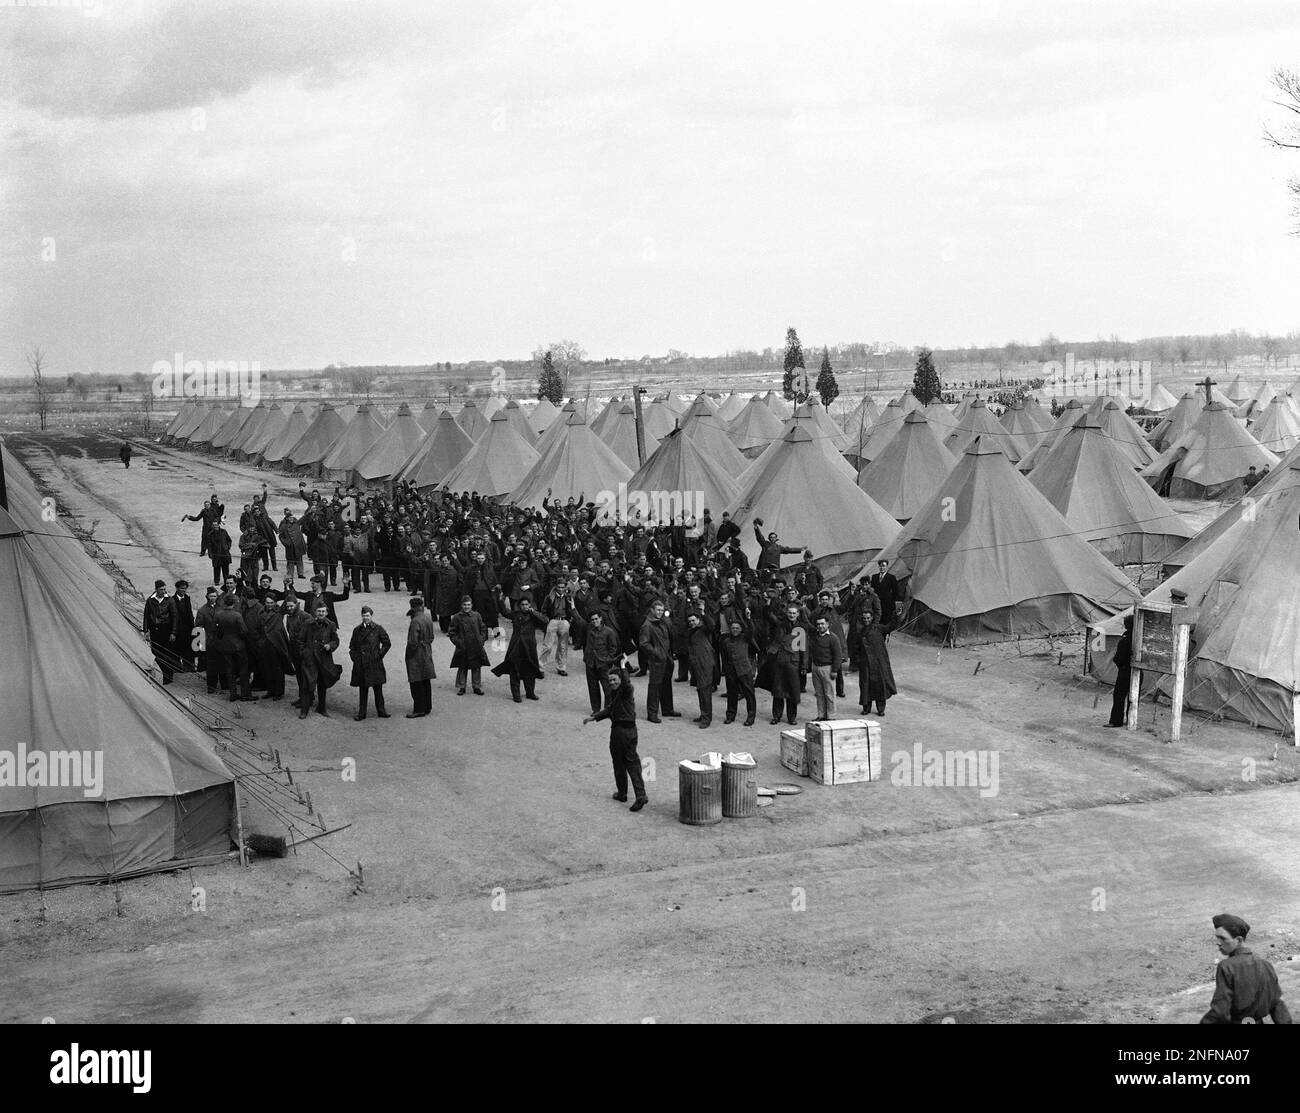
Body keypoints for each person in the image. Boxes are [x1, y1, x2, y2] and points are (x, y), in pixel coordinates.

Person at [1200, 913, 1292, 1024]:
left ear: (1238, 940)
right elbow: (1277, 1004)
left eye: (1223, 938)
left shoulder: (1226, 967)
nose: (1218, 943)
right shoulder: (1265, 964)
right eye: (1217, 937)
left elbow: (1220, 1012)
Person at [583, 667, 647, 812]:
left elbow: (626, 684)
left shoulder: (626, 690)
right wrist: (594, 717)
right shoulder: (616, 693)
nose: (611, 682)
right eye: (609, 680)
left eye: (614, 680)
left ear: (620, 680)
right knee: (620, 763)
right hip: (624, 731)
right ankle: (623, 793)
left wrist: (624, 667)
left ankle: (640, 795)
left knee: (630, 764)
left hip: (623, 732)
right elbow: (610, 709)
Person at [491, 595, 547, 702]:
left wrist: (533, 612)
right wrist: (500, 599)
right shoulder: (515, 614)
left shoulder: (534, 615)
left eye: (526, 604)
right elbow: (504, 612)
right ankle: (516, 695)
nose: (524, 606)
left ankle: (530, 693)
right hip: (516, 646)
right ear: (519, 606)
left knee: (530, 669)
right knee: (514, 670)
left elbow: (545, 621)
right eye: (522, 605)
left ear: (529, 605)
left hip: (529, 647)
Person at [853, 589, 896, 715]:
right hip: (865, 663)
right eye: (864, 618)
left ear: (872, 618)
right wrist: (857, 661)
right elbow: (856, 648)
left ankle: (880, 709)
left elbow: (891, 626)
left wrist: (896, 615)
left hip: (878, 662)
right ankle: (866, 708)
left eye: (868, 618)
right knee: (866, 686)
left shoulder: (879, 628)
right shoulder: (859, 631)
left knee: (880, 686)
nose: (866, 620)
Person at [638, 599, 681, 723]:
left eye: (662, 610)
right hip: (656, 660)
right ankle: (652, 713)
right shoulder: (647, 625)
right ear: (652, 610)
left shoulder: (663, 622)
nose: (660, 612)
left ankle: (667, 709)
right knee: (655, 686)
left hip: (667, 659)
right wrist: (656, 653)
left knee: (666, 685)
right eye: (658, 610)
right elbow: (644, 644)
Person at [348, 605, 392, 720]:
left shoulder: (378, 629)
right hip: (361, 664)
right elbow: (352, 646)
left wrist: (379, 655)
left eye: (367, 616)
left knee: (378, 689)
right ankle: (362, 713)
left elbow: (387, 643)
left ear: (371, 616)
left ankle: (381, 711)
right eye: (363, 616)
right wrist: (355, 658)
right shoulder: (357, 630)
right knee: (363, 690)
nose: (365, 618)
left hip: (374, 663)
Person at [767, 604, 807, 725]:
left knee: (792, 690)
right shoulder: (780, 625)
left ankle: (791, 717)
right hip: (780, 661)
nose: (792, 615)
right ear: (786, 613)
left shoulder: (801, 629)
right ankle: (776, 716)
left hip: (793, 662)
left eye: (794, 613)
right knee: (778, 690)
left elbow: (804, 649)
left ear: (798, 614)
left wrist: (804, 665)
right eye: (790, 613)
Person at [212, 595, 254, 703]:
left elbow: (215, 630)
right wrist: (239, 637)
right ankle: (245, 694)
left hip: (225, 645)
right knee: (243, 670)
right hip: (238, 645)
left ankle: (233, 694)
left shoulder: (218, 615)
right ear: (233, 604)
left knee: (229, 670)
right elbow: (244, 631)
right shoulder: (237, 615)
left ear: (224, 603)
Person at [448, 595, 490, 695]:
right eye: (464, 605)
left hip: (476, 646)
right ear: (461, 605)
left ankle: (476, 686)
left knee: (476, 667)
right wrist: (458, 642)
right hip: (463, 646)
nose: (466, 607)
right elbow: (452, 632)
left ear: (472, 605)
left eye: (468, 605)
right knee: (463, 666)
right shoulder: (457, 617)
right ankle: (461, 687)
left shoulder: (477, 615)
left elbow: (483, 628)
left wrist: (481, 640)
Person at [582, 610, 622, 713]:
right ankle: (596, 709)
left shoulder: (609, 631)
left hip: (603, 665)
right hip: (590, 663)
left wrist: (607, 659)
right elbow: (579, 621)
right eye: (592, 620)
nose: (594, 621)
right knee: (593, 688)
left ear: (601, 618)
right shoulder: (589, 629)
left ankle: (608, 709)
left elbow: (613, 648)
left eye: (596, 619)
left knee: (607, 688)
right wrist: (573, 607)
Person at [720, 618, 757, 726]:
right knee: (731, 694)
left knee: (749, 694)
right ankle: (730, 715)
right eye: (733, 628)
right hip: (731, 671)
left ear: (741, 629)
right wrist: (726, 669)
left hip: (744, 670)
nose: (735, 630)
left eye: (737, 628)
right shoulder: (726, 641)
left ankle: (751, 716)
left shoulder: (745, 638)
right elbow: (724, 656)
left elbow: (752, 630)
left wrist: (749, 618)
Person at [404, 596, 437, 717]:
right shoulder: (427, 618)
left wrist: (410, 654)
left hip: (416, 654)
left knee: (416, 681)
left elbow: (412, 641)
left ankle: (419, 709)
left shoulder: (415, 621)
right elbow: (432, 637)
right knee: (425, 680)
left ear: (412, 607)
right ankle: (427, 706)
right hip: (426, 651)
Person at [143, 579, 179, 684]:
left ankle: (169, 677)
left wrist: (173, 633)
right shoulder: (150, 600)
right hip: (155, 631)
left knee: (168, 654)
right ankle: (161, 675)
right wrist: (146, 630)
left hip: (166, 630)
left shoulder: (170, 600)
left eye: (164, 589)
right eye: (161, 589)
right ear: (156, 590)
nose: (163, 591)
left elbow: (175, 617)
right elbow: (146, 616)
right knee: (156, 653)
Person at [807, 614, 843, 721]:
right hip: (815, 667)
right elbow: (807, 624)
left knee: (829, 694)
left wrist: (835, 670)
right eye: (818, 624)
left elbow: (838, 655)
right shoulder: (815, 635)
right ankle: (821, 715)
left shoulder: (833, 638)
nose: (820, 626)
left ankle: (831, 717)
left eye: (822, 624)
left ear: (828, 624)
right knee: (819, 693)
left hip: (828, 668)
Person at [685, 611, 716, 728]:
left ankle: (706, 719)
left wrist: (704, 613)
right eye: (690, 621)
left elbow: (712, 625)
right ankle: (704, 714)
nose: (691, 623)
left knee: (705, 692)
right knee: (700, 690)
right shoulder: (691, 631)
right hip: (696, 665)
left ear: (698, 620)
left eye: (693, 620)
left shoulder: (704, 629)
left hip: (705, 664)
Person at [539, 579, 574, 676]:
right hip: (553, 621)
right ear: (556, 587)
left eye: (563, 587)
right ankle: (540, 668)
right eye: (559, 587)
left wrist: (569, 621)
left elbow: (571, 610)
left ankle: (561, 667)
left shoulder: (568, 598)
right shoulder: (550, 597)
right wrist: (547, 620)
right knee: (548, 646)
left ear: (565, 587)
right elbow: (544, 610)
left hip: (564, 621)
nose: (561, 589)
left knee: (563, 646)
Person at [1107, 615, 1134, 728]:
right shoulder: (1140, 638)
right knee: (1133, 698)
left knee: (1119, 696)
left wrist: (1121, 666)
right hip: (1137, 672)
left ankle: (1116, 721)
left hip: (1125, 671)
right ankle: (1131, 720)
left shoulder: (1125, 640)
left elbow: (1119, 659)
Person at [869, 559, 901, 632]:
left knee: (885, 622)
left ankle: (883, 638)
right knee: (876, 620)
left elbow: (896, 592)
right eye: (880, 566)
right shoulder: (874, 577)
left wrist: (892, 601)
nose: (882, 568)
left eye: (883, 566)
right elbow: (872, 589)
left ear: (887, 567)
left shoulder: (891, 577)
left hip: (887, 604)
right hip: (876, 603)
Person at [207, 516, 232, 586]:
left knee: (225, 569)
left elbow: (229, 540)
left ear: (218, 524)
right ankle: (216, 581)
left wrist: (227, 547)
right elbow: (209, 545)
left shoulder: (224, 532)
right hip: (216, 554)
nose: (215, 526)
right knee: (216, 568)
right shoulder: (210, 534)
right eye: (213, 525)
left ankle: (226, 581)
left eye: (216, 525)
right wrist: (210, 553)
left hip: (224, 553)